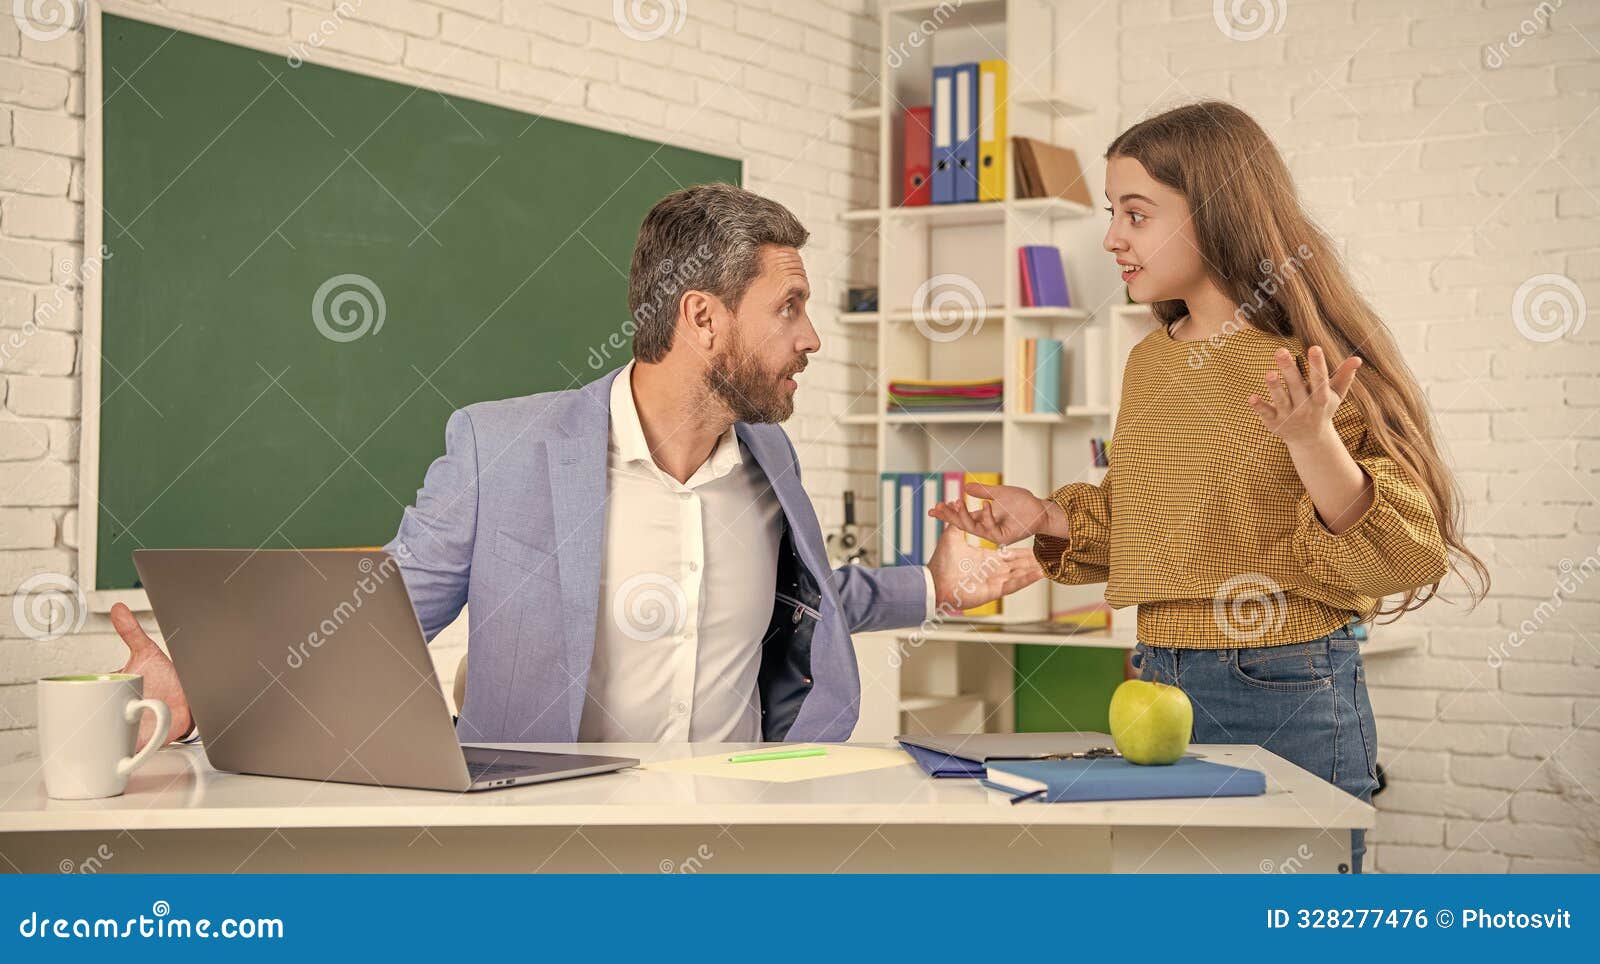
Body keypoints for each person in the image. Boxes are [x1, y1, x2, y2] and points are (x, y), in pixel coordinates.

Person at [111, 183, 1043, 749]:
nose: (813, 338)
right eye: (790, 307)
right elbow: (374, 620)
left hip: (739, 844)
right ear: (703, 318)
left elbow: (805, 598)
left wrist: (935, 585)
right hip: (555, 851)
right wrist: (206, 683)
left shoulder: (769, 455)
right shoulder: (503, 450)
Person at [930, 102, 1489, 873]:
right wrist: (1046, 514)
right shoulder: (1151, 360)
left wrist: (1312, 439)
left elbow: (1400, 555)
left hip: (1284, 680)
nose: (1112, 237)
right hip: (1158, 677)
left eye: (1137, 213)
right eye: (1111, 213)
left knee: (1290, 920)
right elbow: (1156, 521)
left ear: (1217, 213)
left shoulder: (1307, 359)